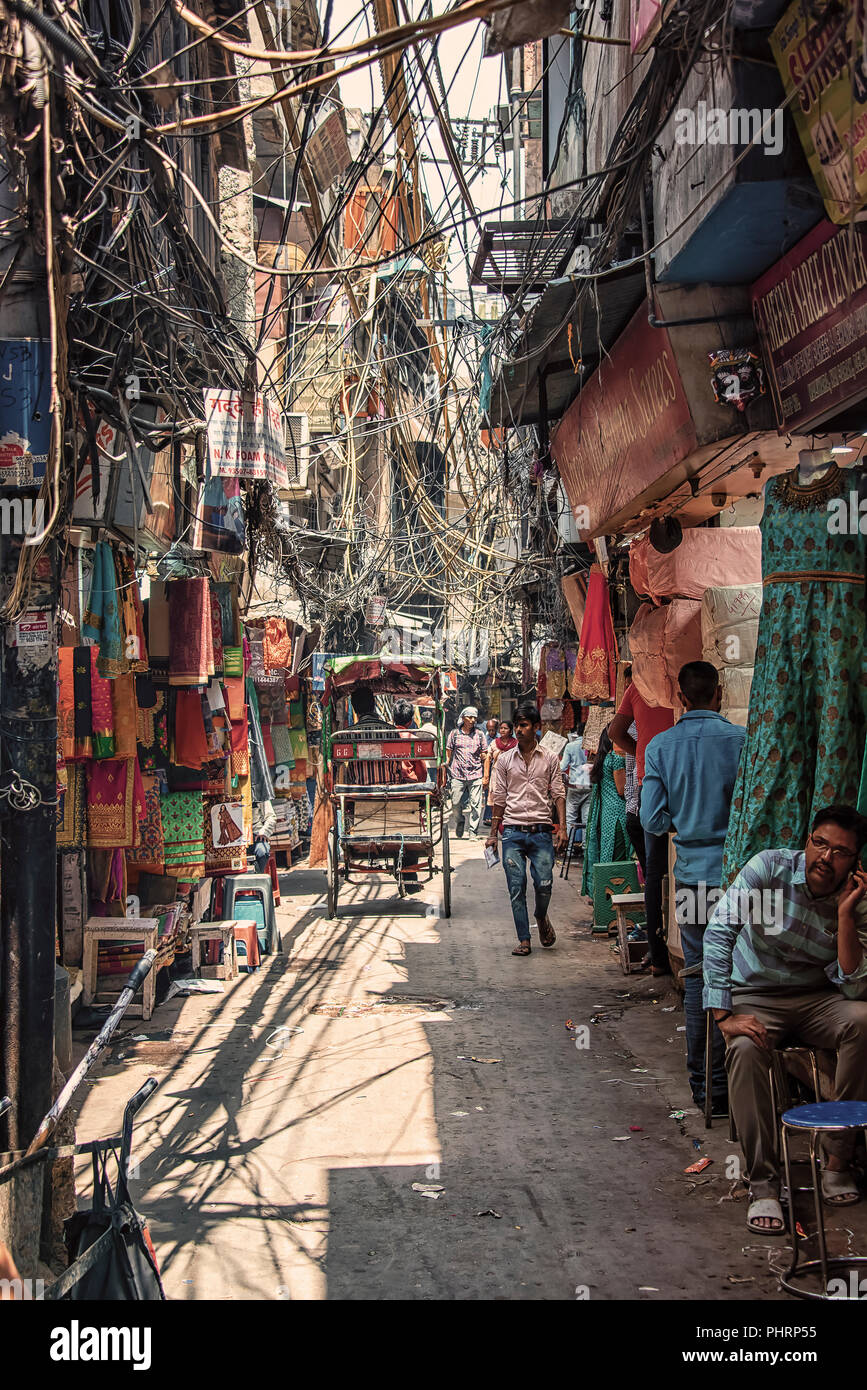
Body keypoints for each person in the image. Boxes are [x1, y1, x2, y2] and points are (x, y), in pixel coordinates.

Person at [704, 805, 867, 1235]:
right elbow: (719, 930)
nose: (826, 858)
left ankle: (837, 1161)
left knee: (863, 1022)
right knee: (743, 1047)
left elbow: (854, 986)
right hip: (756, 993)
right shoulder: (769, 868)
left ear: (856, 861)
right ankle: (763, 1184)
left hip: (817, 997)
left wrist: (847, 914)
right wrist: (723, 1015)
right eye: (820, 843)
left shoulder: (857, 897)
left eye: (841, 852)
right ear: (807, 841)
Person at [639, 661, 746, 1114]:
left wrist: (683, 822)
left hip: (693, 878)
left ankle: (706, 1091)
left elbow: (652, 819)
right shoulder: (742, 741)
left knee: (701, 978)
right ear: (718, 694)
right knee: (742, 978)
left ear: (681, 698)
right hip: (740, 879)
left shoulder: (662, 747)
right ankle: (739, 1089)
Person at [486, 701, 567, 955]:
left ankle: (541, 917)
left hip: (541, 832)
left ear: (536, 728)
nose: (518, 730)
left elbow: (558, 793)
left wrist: (562, 827)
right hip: (512, 831)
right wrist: (492, 835)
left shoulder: (551, 759)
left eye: (524, 725)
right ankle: (524, 939)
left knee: (544, 883)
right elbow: (498, 799)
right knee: (515, 886)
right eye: (517, 725)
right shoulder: (504, 761)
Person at [609, 682, 675, 975]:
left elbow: (614, 732)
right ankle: (682, 949)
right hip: (679, 780)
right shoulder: (674, 681)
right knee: (679, 868)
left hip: (649, 788)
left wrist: (644, 755)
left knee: (655, 872)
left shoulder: (639, 687)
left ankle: (659, 954)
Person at [580, 726, 630, 899]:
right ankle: (612, 902)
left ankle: (603, 898)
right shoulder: (616, 759)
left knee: (607, 856)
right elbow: (622, 790)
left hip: (605, 816)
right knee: (618, 862)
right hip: (618, 816)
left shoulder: (602, 759)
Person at [446, 706, 487, 838]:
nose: (472, 720)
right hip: (457, 774)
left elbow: (485, 754)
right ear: (463, 718)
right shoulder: (454, 734)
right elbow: (448, 754)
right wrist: (445, 766)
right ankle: (460, 821)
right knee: (456, 803)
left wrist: (485, 773)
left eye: (474, 717)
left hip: (475, 774)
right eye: (470, 717)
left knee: (476, 805)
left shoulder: (480, 734)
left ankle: (473, 831)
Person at [560, 727, 591, 848]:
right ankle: (585, 848)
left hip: (574, 785)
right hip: (589, 785)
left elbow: (562, 767)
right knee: (586, 819)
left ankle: (568, 849)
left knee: (570, 817)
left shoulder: (570, 746)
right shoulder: (592, 746)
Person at [483, 719, 516, 825]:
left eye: (505, 728)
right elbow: (488, 759)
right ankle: (496, 824)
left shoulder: (516, 744)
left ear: (510, 731)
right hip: (496, 775)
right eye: (501, 728)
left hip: (511, 776)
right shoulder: (494, 743)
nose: (502, 730)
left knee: (510, 800)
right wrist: (486, 777)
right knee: (495, 801)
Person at [252, 798, 276, 873]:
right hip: (232, 838)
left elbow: (271, 817)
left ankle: (258, 878)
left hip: (255, 834)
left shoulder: (258, 793)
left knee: (262, 852)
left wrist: (264, 832)